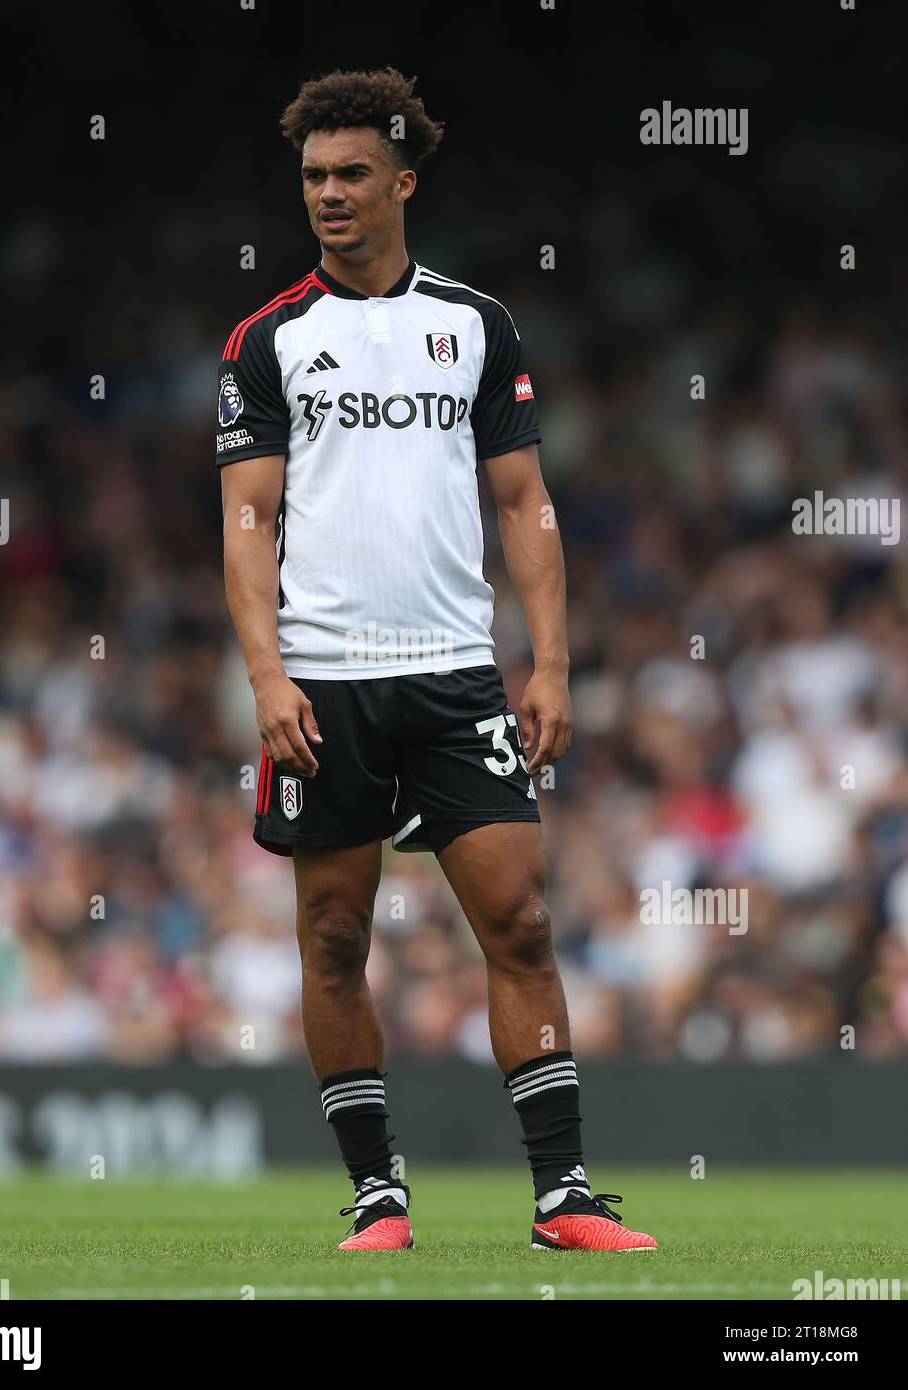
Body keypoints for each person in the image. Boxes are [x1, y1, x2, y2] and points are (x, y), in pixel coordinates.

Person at [218, 66, 656, 1254]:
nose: (329, 195)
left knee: (516, 921)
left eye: (353, 173)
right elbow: (247, 520)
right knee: (331, 939)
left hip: (457, 670)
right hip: (325, 678)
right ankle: (378, 1197)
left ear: (402, 180)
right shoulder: (268, 340)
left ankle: (562, 1199)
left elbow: (524, 501)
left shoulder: (474, 325)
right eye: (313, 177)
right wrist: (266, 675)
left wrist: (554, 661)